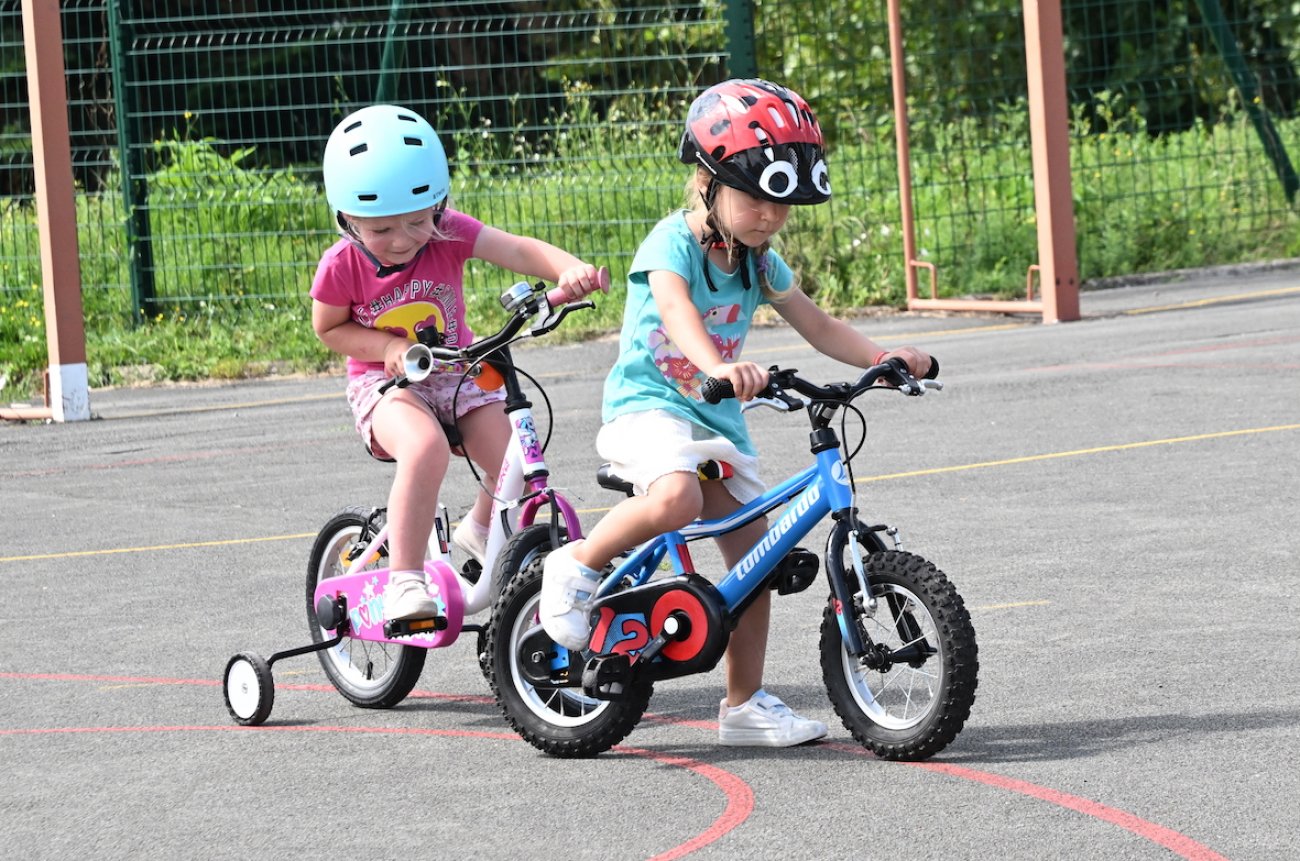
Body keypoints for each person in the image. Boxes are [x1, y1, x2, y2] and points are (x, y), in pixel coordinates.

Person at [538, 79, 934, 747]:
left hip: (715, 420)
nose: (769, 216)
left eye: (781, 205)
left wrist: (880, 357)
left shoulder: (756, 259)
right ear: (706, 181)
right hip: (649, 408)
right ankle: (575, 564)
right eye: (754, 198)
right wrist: (719, 367)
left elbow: (815, 322)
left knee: (755, 569)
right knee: (676, 498)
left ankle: (743, 704)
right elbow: (676, 312)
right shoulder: (671, 245)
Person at [311, 104, 605, 621]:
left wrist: (569, 268)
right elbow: (329, 328)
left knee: (513, 461)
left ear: (439, 206)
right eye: (381, 229)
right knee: (425, 449)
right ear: (347, 219)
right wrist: (387, 349)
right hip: (385, 387)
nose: (402, 239)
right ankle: (405, 581)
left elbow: (514, 249)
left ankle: (480, 531)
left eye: (417, 221)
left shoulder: (447, 232)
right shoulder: (342, 264)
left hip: (456, 373)